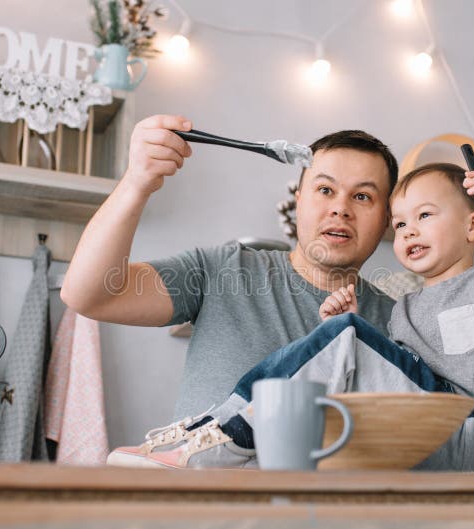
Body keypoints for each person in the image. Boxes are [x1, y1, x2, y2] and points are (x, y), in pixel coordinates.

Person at [107, 162, 474, 472]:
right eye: (400, 225)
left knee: (341, 336)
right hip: (411, 431)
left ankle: (218, 438)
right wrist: (357, 333)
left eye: (424, 215)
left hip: (463, 432)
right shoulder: (403, 308)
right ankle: (210, 433)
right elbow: (396, 380)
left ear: (473, 226)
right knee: (337, 342)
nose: (409, 231)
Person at [60, 115, 399, 436]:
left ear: (386, 220)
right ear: (298, 202)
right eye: (325, 190)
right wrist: (136, 183)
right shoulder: (222, 270)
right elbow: (89, 295)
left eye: (362, 196)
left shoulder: (400, 325)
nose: (340, 208)